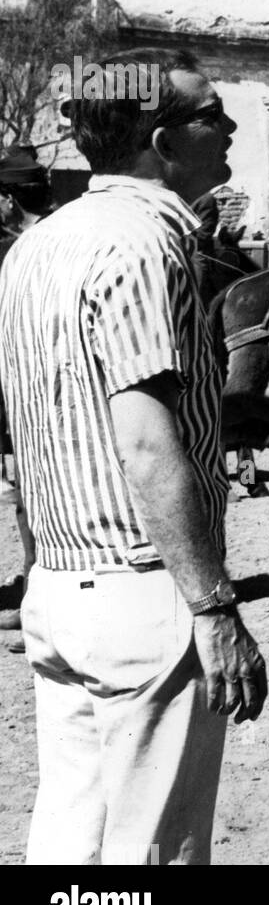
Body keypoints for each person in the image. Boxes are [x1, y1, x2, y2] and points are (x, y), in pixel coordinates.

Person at [0, 47, 267, 864]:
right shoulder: (148, 246)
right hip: (143, 596)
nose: (227, 129)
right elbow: (147, 441)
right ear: (161, 139)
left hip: (59, 591)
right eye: (210, 115)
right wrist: (215, 607)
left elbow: (32, 430)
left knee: (71, 843)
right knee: (151, 858)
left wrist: (39, 571)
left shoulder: (35, 247)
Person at [0, 146, 54, 640]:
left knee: (34, 501)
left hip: (37, 401)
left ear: (9, 199)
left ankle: (41, 608)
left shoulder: (24, 249)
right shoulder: (63, 233)